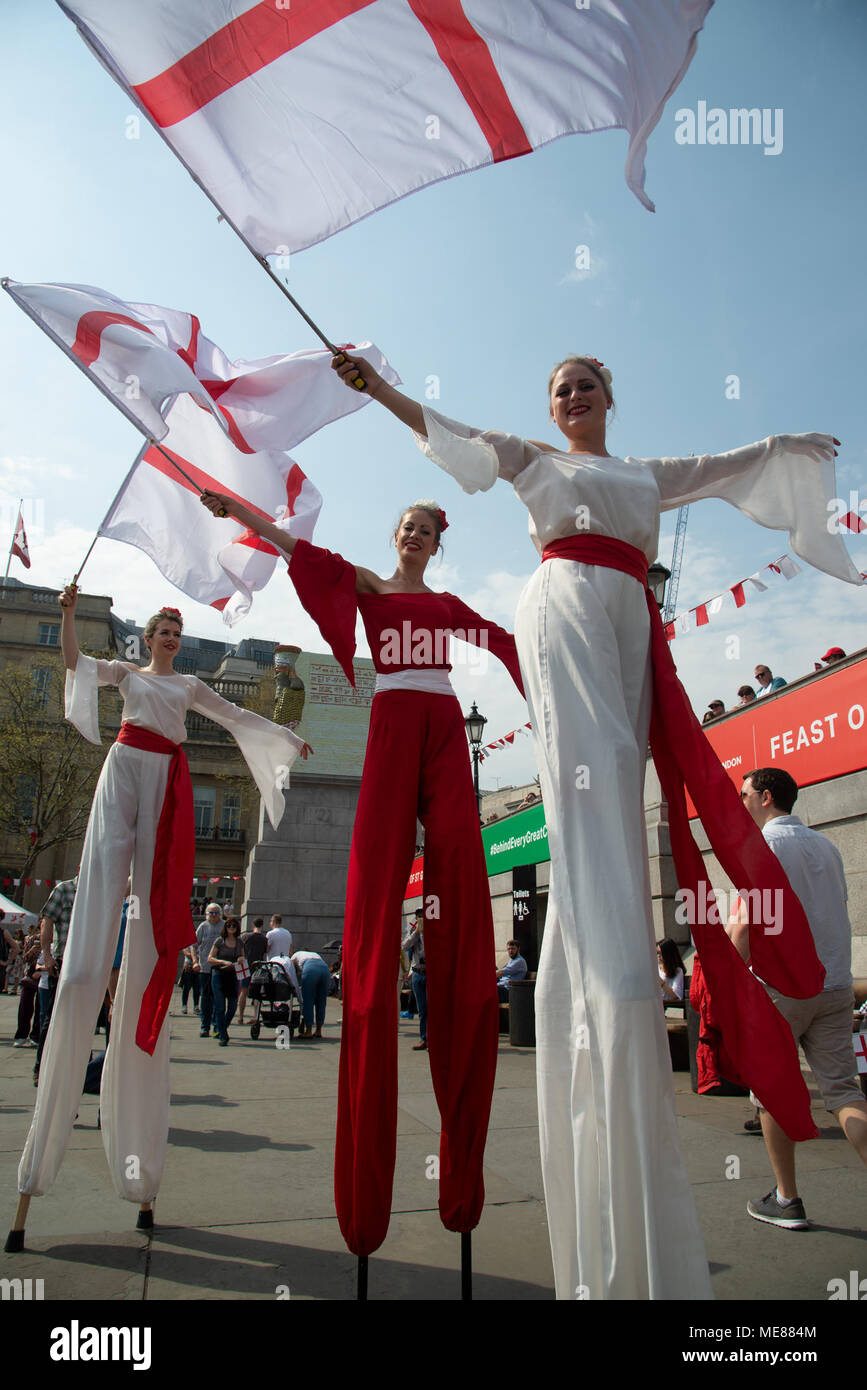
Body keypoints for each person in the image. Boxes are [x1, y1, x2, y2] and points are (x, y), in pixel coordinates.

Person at [329, 345, 862, 1300]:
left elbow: (726, 466)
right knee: (598, 764)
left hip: (629, 619)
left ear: (610, 398)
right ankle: (610, 959)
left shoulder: (640, 476)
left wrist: (782, 442)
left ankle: (613, 947)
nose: (571, 397)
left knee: (623, 767)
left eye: (585, 385)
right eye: (558, 388)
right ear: (552, 408)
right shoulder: (540, 463)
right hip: (568, 603)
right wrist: (379, 391)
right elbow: (447, 437)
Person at [200, 486, 524, 1265]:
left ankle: (458, 982)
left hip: (443, 723)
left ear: (436, 544)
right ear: (396, 536)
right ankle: (377, 984)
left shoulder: (447, 605)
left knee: (454, 854)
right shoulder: (373, 589)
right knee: (379, 869)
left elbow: (512, 641)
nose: (414, 535)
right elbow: (298, 552)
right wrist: (239, 513)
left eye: (425, 529)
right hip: (393, 719)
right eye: (405, 526)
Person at [9, 589, 311, 1245]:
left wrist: (284, 737)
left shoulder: (189, 687)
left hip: (166, 783)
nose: (171, 635)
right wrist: (64, 614)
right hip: (125, 768)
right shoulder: (127, 676)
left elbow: (234, 715)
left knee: (147, 927)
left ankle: (141, 1171)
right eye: (164, 627)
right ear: (148, 637)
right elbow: (75, 664)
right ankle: (47, 1145)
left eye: (178, 628)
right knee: (97, 909)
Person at [730, 768, 867, 1229]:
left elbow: (749, 920)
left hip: (781, 986)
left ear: (766, 798)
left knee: (772, 1091)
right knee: (844, 1092)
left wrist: (723, 972)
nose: (740, 801)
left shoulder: (762, 847)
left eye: (744, 793)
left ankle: (787, 1199)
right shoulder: (826, 847)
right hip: (834, 984)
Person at [208, 917, 245, 1046]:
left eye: (234, 926)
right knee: (220, 1006)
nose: (231, 928)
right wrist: (222, 962)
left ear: (237, 928)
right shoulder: (220, 941)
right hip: (218, 975)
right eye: (229, 926)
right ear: (226, 928)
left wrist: (240, 958)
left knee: (233, 1005)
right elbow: (210, 958)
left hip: (233, 975)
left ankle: (221, 1027)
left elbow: (242, 956)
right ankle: (223, 1036)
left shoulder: (239, 942)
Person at [193, 903, 224, 1037]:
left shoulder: (225, 926)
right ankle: (205, 1026)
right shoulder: (203, 926)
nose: (214, 915)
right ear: (206, 914)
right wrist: (195, 961)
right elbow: (193, 945)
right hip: (205, 968)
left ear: (220, 914)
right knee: (206, 999)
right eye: (211, 913)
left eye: (216, 913)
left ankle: (217, 1026)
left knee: (219, 999)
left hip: (220, 968)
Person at [401, 911, 427, 1050]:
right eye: (419, 916)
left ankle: (433, 1038)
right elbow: (404, 946)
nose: (421, 918)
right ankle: (424, 1038)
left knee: (432, 1008)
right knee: (422, 1009)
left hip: (430, 973)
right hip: (417, 973)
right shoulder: (413, 931)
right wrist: (417, 932)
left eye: (423, 915)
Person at [291, 948, 331, 1038]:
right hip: (325, 969)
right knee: (321, 1000)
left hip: (310, 969)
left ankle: (308, 1031)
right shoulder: (315, 954)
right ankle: (318, 1030)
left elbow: (292, 972)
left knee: (308, 1000)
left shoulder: (295, 955)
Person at [238, 917, 268, 1025]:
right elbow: (266, 951)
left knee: (243, 991)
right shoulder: (264, 939)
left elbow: (239, 948)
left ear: (252, 925)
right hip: (258, 967)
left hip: (246, 966)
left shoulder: (245, 936)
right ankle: (256, 1016)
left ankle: (241, 1016)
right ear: (262, 926)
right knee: (257, 993)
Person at [657, 938, 686, 1005]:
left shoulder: (678, 971)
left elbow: (675, 995)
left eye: (661, 954)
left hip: (665, 1004)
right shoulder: (657, 968)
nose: (658, 956)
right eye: (657, 953)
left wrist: (660, 981)